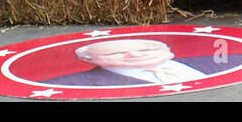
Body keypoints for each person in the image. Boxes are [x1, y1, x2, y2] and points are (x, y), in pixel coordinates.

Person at [49, 39, 208, 86]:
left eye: (147, 50)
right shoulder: (68, 84)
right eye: (116, 52)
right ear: (87, 59)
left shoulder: (221, 62)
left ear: (166, 51)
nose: (134, 55)